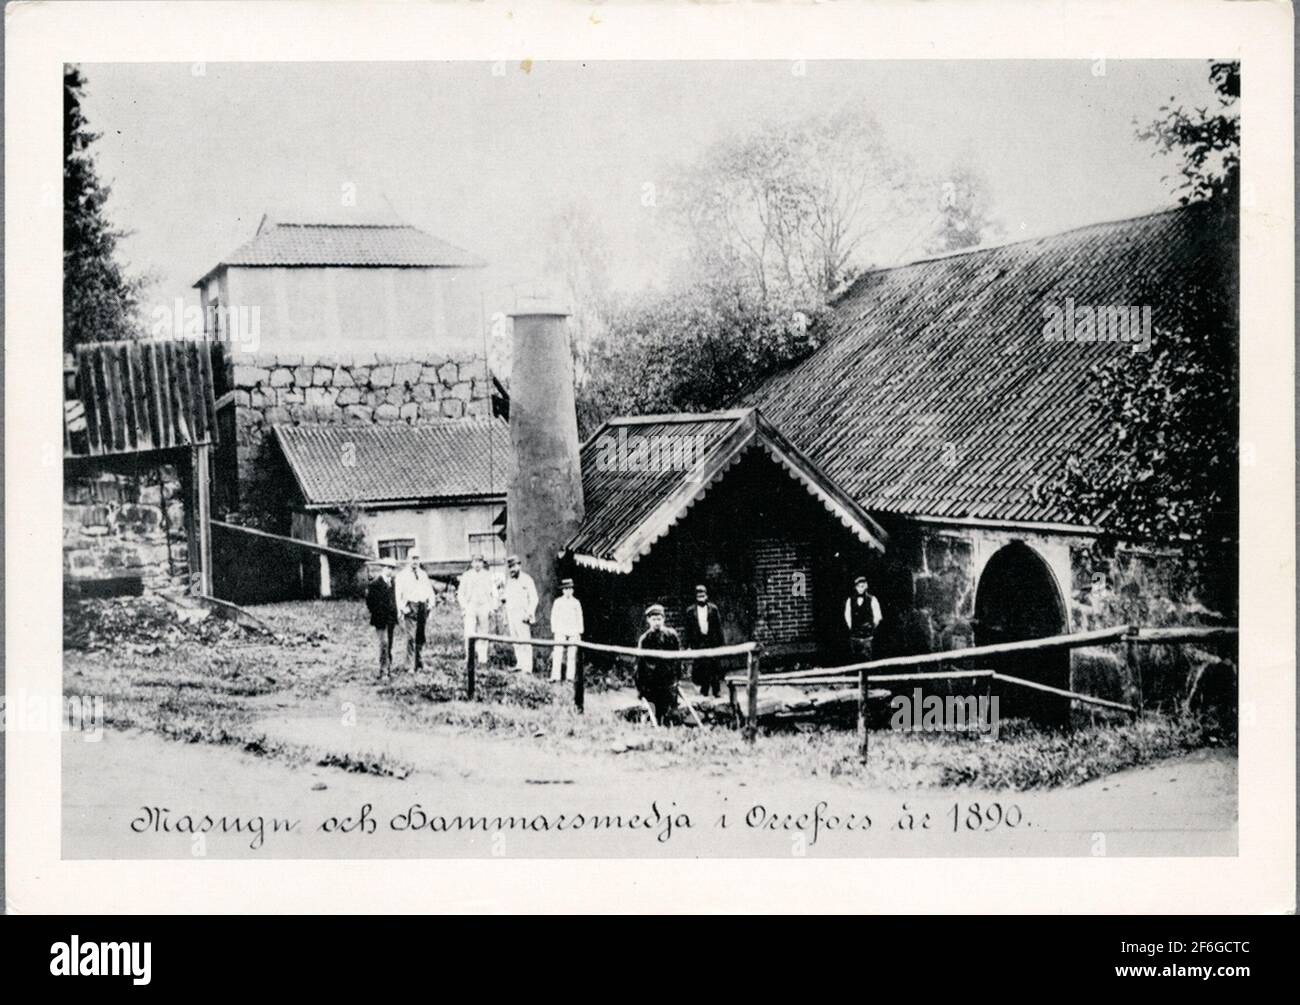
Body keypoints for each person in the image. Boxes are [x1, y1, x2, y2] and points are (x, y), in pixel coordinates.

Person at [635, 604, 681, 725]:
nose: (657, 622)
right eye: (654, 619)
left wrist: (677, 680)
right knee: (652, 709)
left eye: (659, 619)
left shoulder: (671, 636)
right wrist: (640, 687)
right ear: (648, 620)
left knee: (668, 710)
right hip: (652, 682)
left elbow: (677, 660)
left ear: (664, 619)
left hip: (667, 680)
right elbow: (640, 664)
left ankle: (667, 729)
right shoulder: (645, 639)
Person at [684, 583, 726, 697]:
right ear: (696, 597)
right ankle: (704, 691)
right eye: (699, 595)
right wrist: (687, 645)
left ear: (706, 596)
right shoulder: (690, 611)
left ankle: (717, 690)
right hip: (698, 642)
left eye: (703, 595)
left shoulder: (713, 609)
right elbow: (687, 629)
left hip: (712, 641)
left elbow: (719, 627)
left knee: (714, 667)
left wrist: (721, 644)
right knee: (702, 668)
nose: (701, 597)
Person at [395, 552, 434, 672]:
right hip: (410, 606)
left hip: (422, 606)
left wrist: (431, 604)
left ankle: (419, 662)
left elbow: (429, 590)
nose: (415, 561)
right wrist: (402, 607)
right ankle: (409, 665)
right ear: (408, 559)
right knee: (411, 637)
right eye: (413, 558)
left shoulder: (423, 574)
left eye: (417, 558)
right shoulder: (402, 575)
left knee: (420, 636)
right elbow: (398, 593)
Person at [456, 554, 497, 665]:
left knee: (483, 632)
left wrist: (492, 607)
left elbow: (494, 593)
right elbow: (460, 594)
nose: (477, 564)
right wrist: (464, 607)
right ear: (472, 563)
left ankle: (482, 658)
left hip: (484, 605)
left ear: (483, 563)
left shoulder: (488, 575)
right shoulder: (466, 575)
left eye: (480, 561)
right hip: (471, 606)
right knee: (469, 631)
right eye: (475, 561)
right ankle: (469, 656)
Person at [502, 554, 538, 673]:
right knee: (516, 640)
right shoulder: (509, 581)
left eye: (514, 566)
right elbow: (506, 599)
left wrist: (529, 613)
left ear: (519, 566)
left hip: (523, 615)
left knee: (525, 641)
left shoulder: (527, 580)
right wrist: (505, 617)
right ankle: (520, 664)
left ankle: (527, 668)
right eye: (510, 567)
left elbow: (534, 598)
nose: (512, 569)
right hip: (512, 614)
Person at [364, 560, 399, 679]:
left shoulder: (393, 583)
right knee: (384, 644)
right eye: (388, 567)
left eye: (392, 568)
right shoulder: (375, 584)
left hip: (391, 620)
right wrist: (377, 613)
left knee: (389, 645)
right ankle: (383, 671)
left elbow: (394, 600)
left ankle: (388, 669)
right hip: (380, 620)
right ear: (383, 568)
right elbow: (369, 601)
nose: (390, 570)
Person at [549, 577, 584, 683]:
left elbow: (579, 617)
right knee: (558, 652)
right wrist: (554, 629)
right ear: (562, 590)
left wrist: (579, 631)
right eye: (565, 589)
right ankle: (555, 676)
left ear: (572, 590)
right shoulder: (558, 602)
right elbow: (553, 616)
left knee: (571, 654)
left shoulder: (576, 603)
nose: (568, 591)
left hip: (573, 630)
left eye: (570, 589)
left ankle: (570, 677)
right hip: (560, 629)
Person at [844, 574, 883, 662]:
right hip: (855, 637)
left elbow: (878, 617)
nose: (861, 588)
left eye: (862, 586)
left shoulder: (872, 599)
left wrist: (871, 627)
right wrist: (852, 628)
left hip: (868, 637)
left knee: (868, 659)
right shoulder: (850, 600)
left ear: (866, 586)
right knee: (855, 660)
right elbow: (847, 616)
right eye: (858, 586)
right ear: (855, 587)